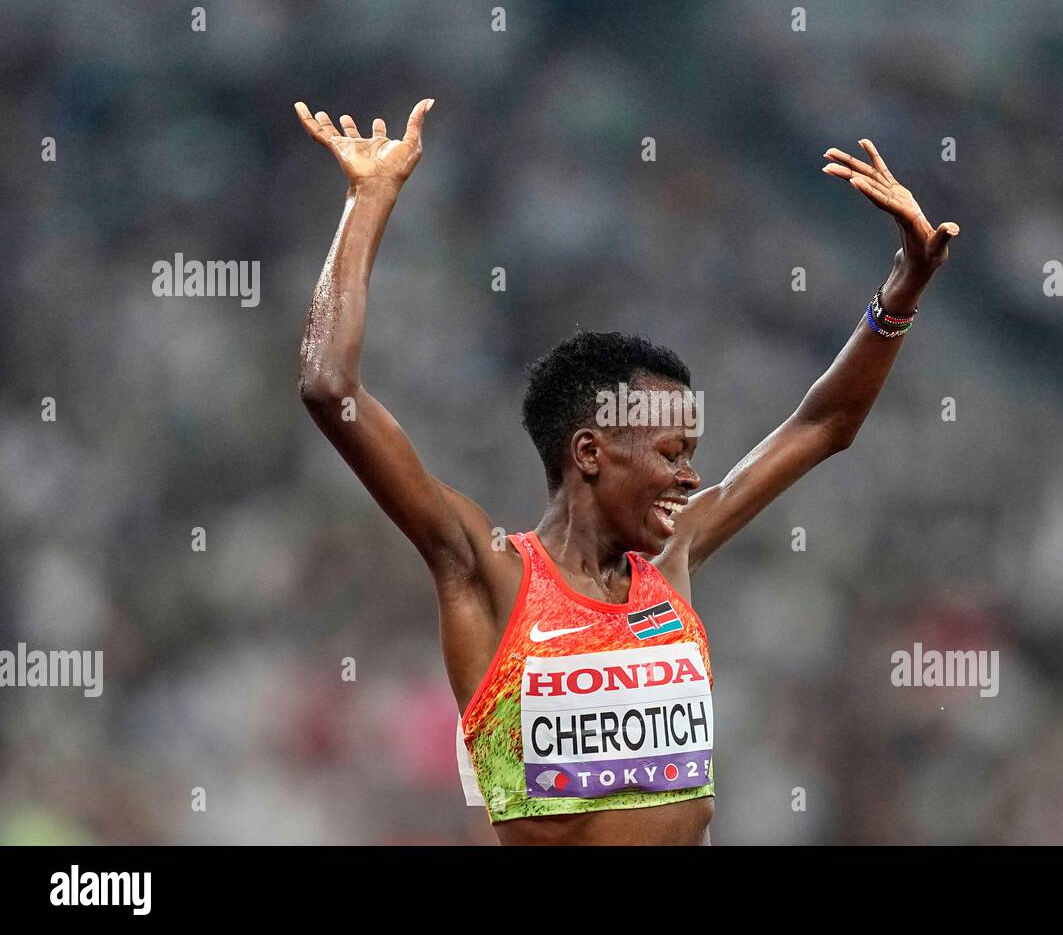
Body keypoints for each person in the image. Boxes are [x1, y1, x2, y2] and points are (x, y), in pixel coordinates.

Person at [293, 97, 958, 845]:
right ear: (589, 454)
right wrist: (368, 199)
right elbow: (329, 388)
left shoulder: (673, 559)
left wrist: (901, 289)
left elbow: (824, 425)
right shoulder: (488, 574)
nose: (690, 477)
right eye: (671, 454)